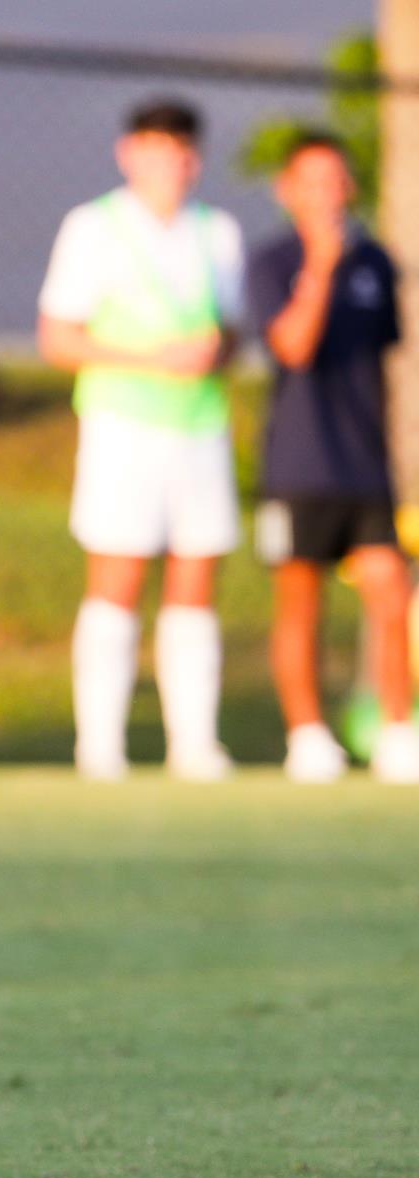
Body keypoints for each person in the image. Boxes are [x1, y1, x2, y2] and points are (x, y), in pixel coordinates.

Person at [38, 98, 243, 782]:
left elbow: (233, 331)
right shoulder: (93, 228)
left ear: (197, 158)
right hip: (122, 428)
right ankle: (100, 746)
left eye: (182, 152)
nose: (171, 166)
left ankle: (196, 744)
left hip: (201, 428)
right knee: (117, 579)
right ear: (129, 154)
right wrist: (155, 359)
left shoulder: (218, 233)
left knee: (195, 580)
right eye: (156, 150)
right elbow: (58, 337)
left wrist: (216, 351)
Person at [245, 132, 419, 783]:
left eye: (335, 180)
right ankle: (308, 735)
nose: (326, 194)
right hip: (298, 466)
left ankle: (399, 731)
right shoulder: (274, 261)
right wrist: (319, 268)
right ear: (287, 191)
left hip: (365, 467)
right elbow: (291, 347)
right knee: (300, 600)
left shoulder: (375, 260)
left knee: (390, 591)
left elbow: (386, 363)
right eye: (310, 181)